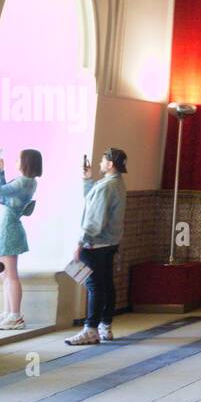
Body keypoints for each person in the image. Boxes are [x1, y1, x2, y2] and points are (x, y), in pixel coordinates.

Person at [66, 148, 128, 346]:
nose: (100, 163)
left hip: (95, 243)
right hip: (109, 242)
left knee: (94, 286)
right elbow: (94, 200)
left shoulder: (107, 187)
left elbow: (94, 218)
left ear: (110, 164)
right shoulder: (116, 183)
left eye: (103, 160)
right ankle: (105, 326)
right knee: (106, 284)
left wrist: (80, 242)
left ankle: (90, 329)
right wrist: (87, 180)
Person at [0, 148, 40, 331]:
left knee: (10, 275)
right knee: (5, 275)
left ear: (26, 162)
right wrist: (1, 171)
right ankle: (8, 313)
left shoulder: (22, 182)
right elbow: (4, 193)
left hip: (9, 229)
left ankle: (15, 316)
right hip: (8, 227)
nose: (16, 161)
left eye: (19, 159)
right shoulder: (29, 182)